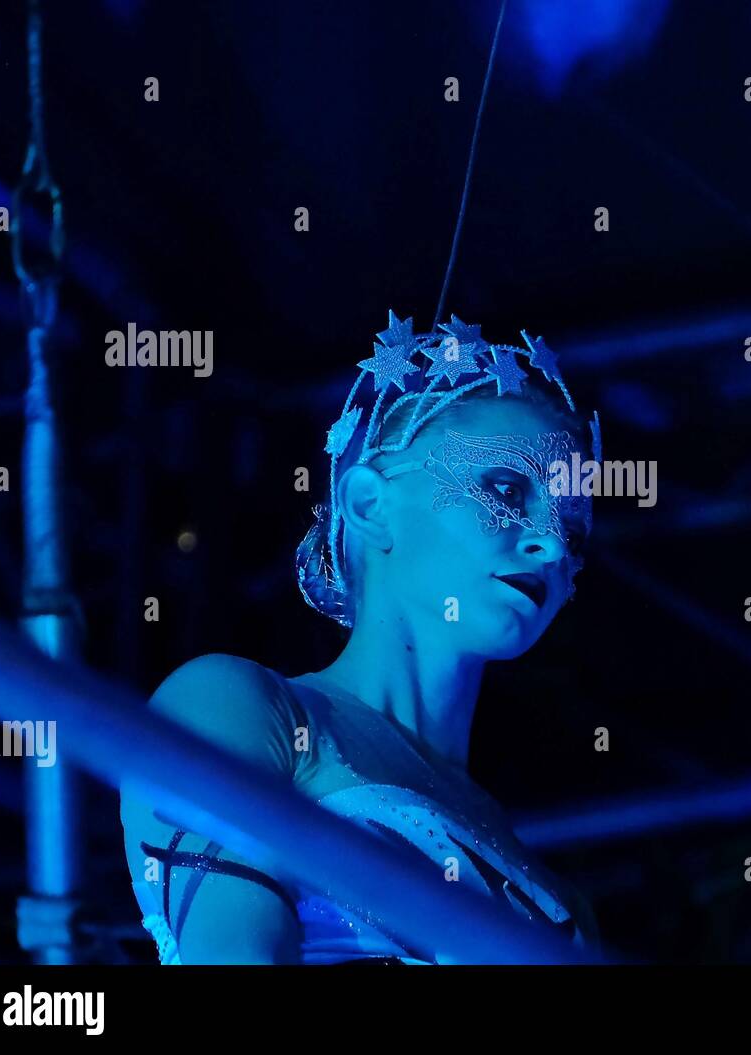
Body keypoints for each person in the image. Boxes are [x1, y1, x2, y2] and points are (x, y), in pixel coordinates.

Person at [119, 312, 603, 964]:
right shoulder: (238, 705)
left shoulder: (564, 902)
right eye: (508, 488)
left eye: (572, 529)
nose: (550, 544)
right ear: (370, 505)